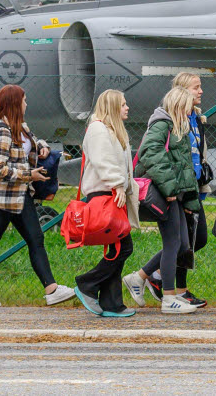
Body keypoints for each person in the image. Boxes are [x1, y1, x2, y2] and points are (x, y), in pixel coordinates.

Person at [0, 85, 75, 307]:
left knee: (36, 238)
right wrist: (28, 174)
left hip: (19, 195)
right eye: (24, 100)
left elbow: (33, 141)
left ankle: (52, 290)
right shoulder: (2, 132)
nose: (26, 104)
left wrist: (42, 146)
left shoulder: (21, 127)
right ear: (15, 103)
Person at [132, 73, 211, 307]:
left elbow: (186, 164)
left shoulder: (185, 125)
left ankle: (150, 280)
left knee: (183, 244)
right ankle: (168, 294)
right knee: (174, 243)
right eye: (195, 88)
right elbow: (153, 155)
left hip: (181, 191)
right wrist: (170, 189)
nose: (200, 92)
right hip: (168, 192)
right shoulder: (164, 125)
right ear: (179, 102)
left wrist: (190, 197)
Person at [73, 89, 141, 317]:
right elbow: (103, 161)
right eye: (123, 104)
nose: (127, 107)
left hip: (113, 194)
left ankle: (112, 303)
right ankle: (87, 283)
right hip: (106, 195)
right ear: (112, 107)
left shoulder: (112, 130)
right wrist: (118, 184)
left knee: (117, 248)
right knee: (124, 247)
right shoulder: (98, 129)